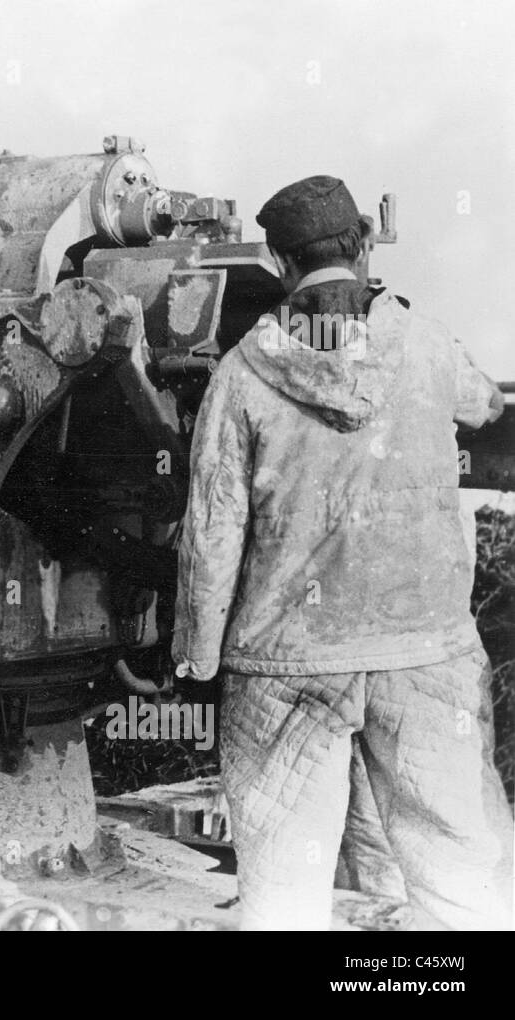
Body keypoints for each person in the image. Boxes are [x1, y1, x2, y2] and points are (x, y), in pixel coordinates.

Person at [172, 175, 511, 930]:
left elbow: (212, 533)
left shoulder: (238, 375)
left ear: (277, 261)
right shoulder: (424, 342)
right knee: (463, 872)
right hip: (424, 653)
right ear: (361, 246)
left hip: (286, 664)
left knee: (285, 895)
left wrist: (197, 658)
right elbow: (485, 404)